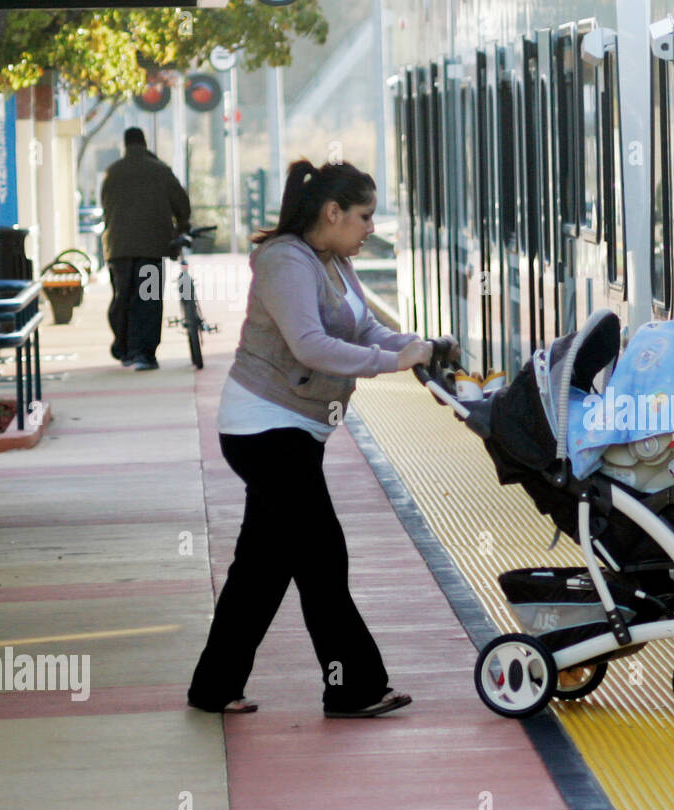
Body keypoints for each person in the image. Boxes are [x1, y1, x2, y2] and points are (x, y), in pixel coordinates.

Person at [187, 159, 457, 717]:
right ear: (331, 212)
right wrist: (390, 361)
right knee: (321, 555)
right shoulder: (285, 259)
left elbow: (364, 329)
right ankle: (352, 686)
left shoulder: (333, 260)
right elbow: (309, 344)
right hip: (264, 427)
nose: (370, 228)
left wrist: (417, 344)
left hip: (294, 428)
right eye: (364, 216)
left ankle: (214, 686)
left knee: (261, 566)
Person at [100, 127, 192, 371]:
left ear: (125, 144)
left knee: (123, 297)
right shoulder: (160, 170)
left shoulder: (113, 172)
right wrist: (182, 225)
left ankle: (124, 347)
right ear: (144, 143)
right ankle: (144, 354)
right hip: (152, 248)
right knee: (148, 299)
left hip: (118, 249)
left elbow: (105, 206)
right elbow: (182, 204)